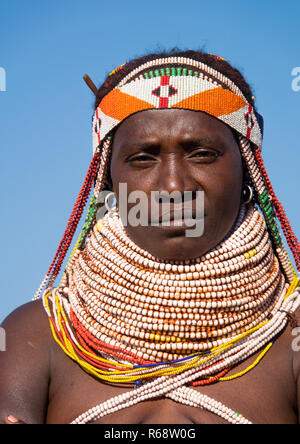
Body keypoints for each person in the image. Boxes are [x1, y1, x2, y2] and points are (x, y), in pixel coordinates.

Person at [1, 49, 300, 425]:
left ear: (248, 170)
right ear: (108, 181)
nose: (174, 186)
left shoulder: (290, 334)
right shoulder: (37, 335)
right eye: (143, 158)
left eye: (202, 154)